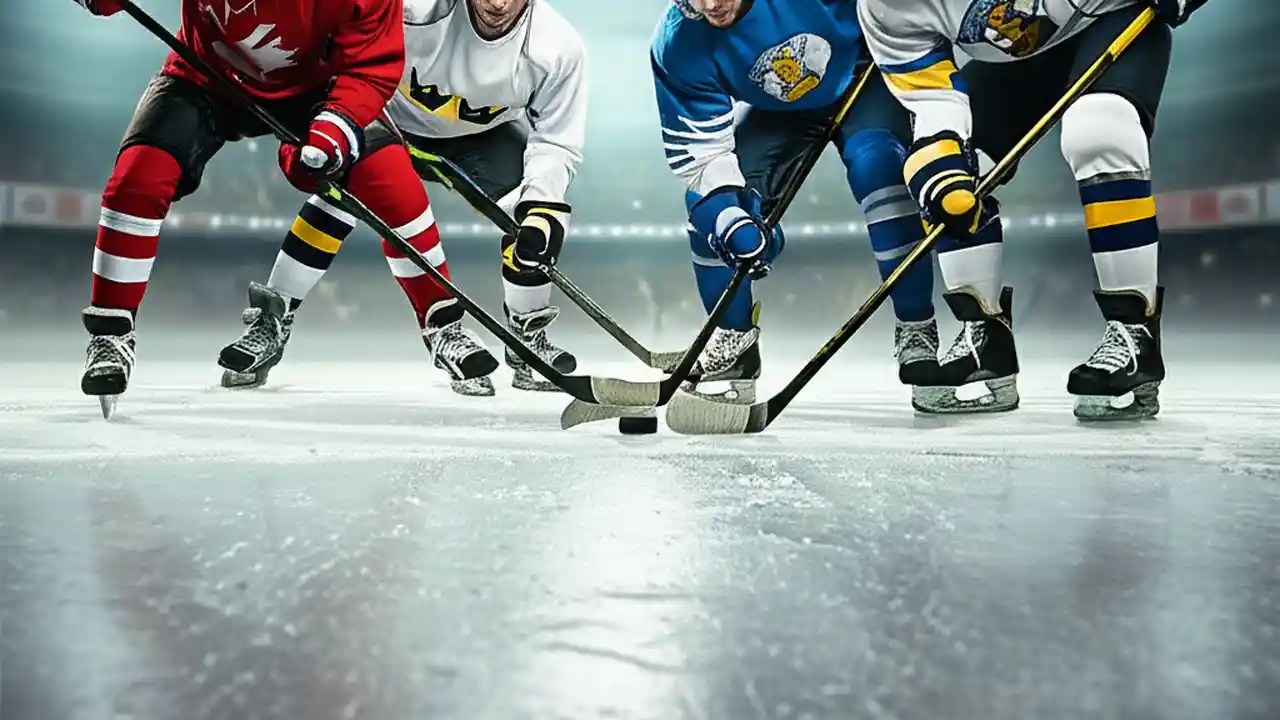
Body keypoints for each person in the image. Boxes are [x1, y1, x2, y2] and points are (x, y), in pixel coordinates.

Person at [71, 0, 496, 412]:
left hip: (318, 87)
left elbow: (370, 66)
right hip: (205, 74)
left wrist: (337, 123)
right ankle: (111, 329)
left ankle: (442, 322)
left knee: (392, 183)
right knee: (138, 179)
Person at [859, 0, 1207, 419]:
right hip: (1020, 58)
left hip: (1108, 17)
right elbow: (934, 101)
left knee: (1098, 129)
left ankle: (1136, 335)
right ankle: (984, 336)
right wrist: (943, 168)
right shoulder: (883, 8)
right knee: (954, 173)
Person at [218, 0, 587, 396]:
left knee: (538, 221)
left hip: (479, 137)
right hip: (382, 115)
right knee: (340, 197)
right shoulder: (410, 7)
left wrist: (541, 210)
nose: (497, 3)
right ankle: (274, 317)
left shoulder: (560, 49)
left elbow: (554, 143)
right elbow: (334, 48)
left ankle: (526, 336)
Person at [652, 0, 943, 407]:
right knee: (710, 210)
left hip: (863, 77)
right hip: (780, 109)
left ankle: (917, 326)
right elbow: (702, 160)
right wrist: (734, 223)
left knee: (879, 168)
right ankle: (734, 343)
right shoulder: (677, 43)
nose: (710, 5)